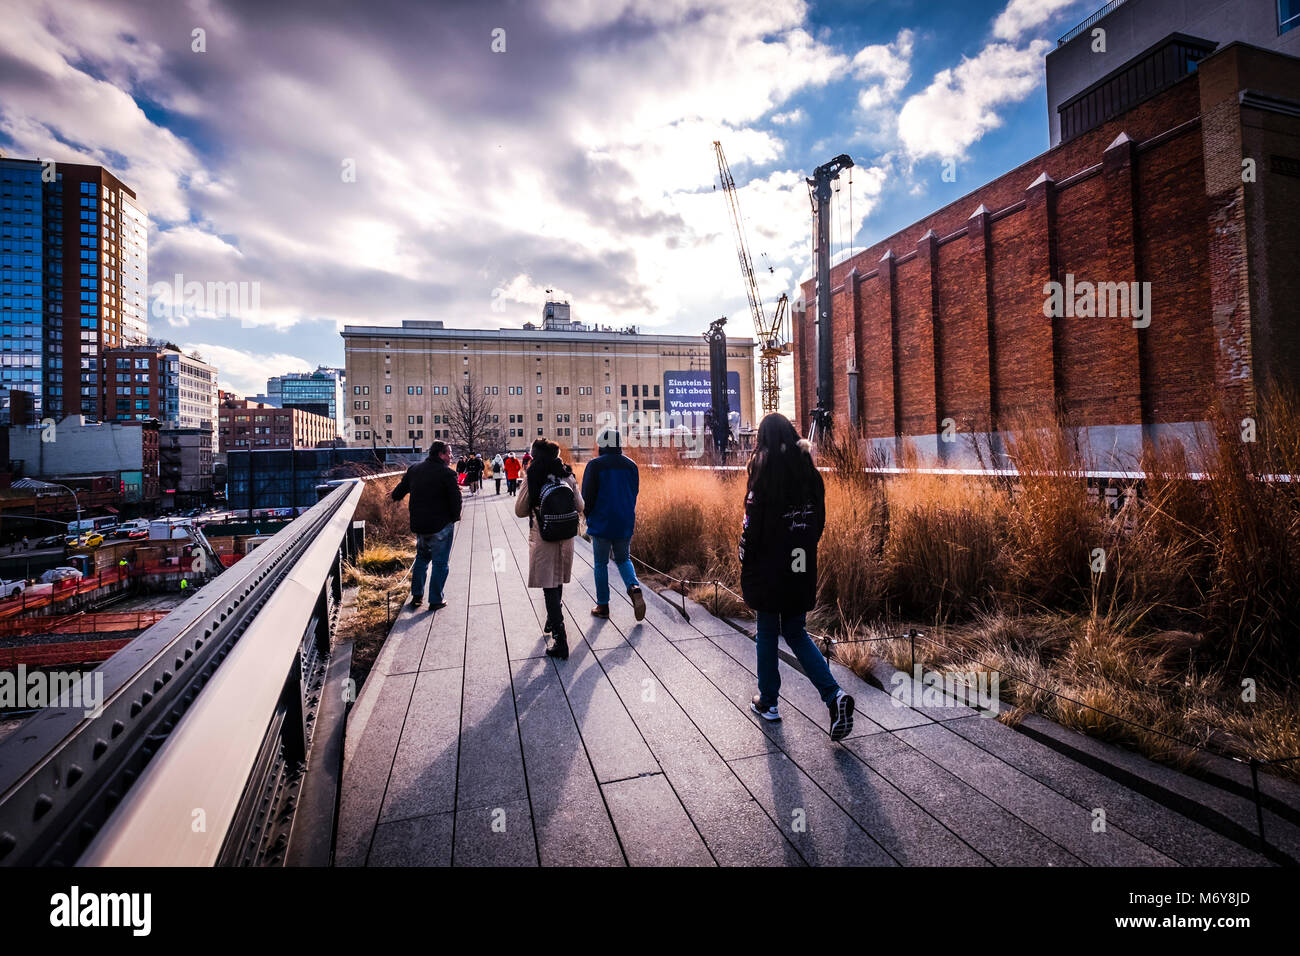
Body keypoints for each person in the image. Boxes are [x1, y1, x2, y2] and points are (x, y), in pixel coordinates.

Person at [739, 413, 854, 741]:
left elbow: (753, 525)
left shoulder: (763, 470)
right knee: (795, 630)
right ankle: (834, 696)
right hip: (800, 563)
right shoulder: (809, 473)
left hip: (769, 565)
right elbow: (818, 523)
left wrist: (745, 554)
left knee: (766, 630)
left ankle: (769, 702)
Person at [515, 438, 582, 660]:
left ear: (535, 456)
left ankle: (560, 638)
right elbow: (580, 506)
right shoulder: (567, 474)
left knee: (548, 586)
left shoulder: (532, 476)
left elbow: (520, 510)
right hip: (565, 536)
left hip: (544, 537)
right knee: (558, 580)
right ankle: (553, 620)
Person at [582, 427, 646, 621]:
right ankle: (633, 586)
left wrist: (587, 516)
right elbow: (634, 492)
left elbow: (587, 496)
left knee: (601, 563)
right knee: (623, 559)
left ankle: (603, 605)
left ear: (602, 444)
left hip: (601, 521)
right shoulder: (631, 465)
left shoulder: (595, 465)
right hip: (624, 520)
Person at [391, 440, 462, 610]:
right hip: (440, 525)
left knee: (421, 559)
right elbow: (456, 500)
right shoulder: (447, 474)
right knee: (440, 563)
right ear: (441, 454)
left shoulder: (415, 469)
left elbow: (399, 491)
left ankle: (417, 596)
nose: (451, 456)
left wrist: (394, 494)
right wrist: (453, 519)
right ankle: (436, 600)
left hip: (420, 526)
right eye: (449, 453)